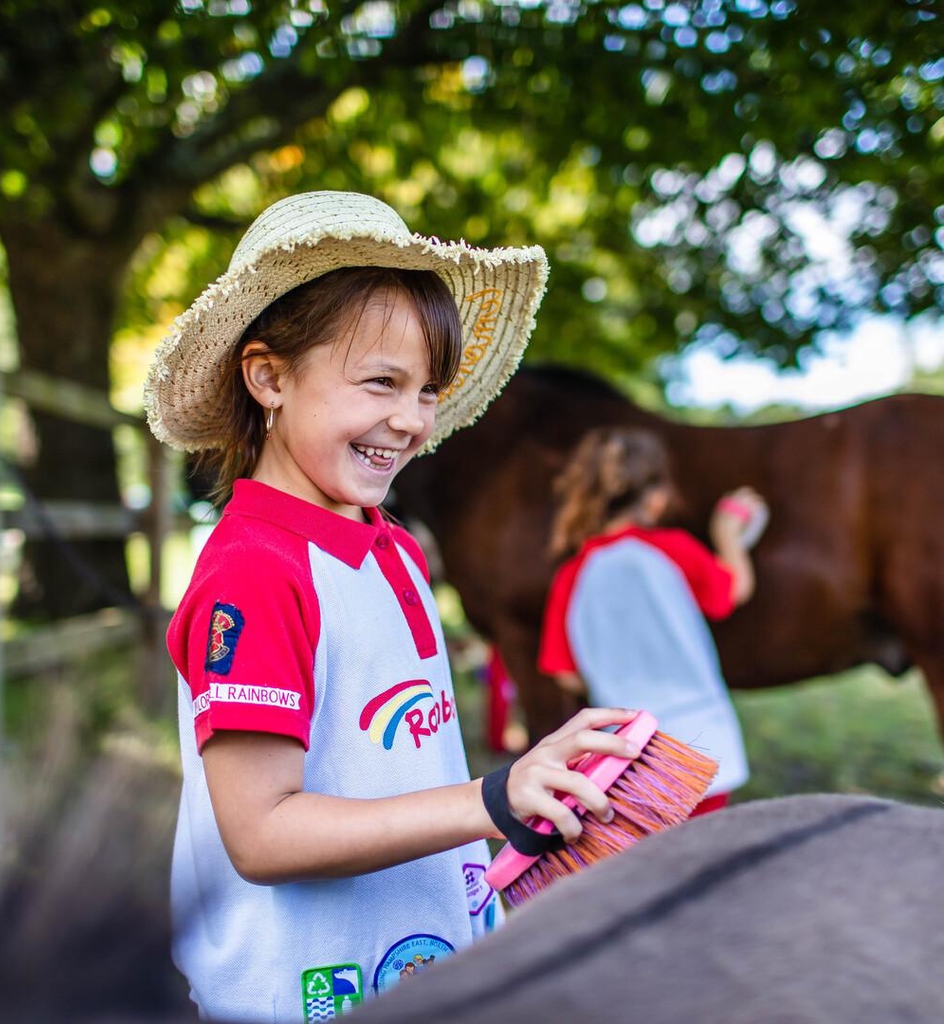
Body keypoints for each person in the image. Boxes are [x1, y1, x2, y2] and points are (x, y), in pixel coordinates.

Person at [143, 191, 644, 1024]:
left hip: (424, 970)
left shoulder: (394, 545)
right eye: (382, 382)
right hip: (299, 994)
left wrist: (524, 802)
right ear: (269, 376)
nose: (411, 421)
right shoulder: (256, 572)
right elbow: (262, 836)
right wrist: (489, 799)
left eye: (428, 390)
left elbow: (405, 756)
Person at [538, 426, 767, 815]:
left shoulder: (571, 575)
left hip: (629, 756)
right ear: (656, 499)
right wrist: (727, 533)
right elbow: (732, 591)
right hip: (704, 743)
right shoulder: (674, 548)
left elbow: (566, 674)